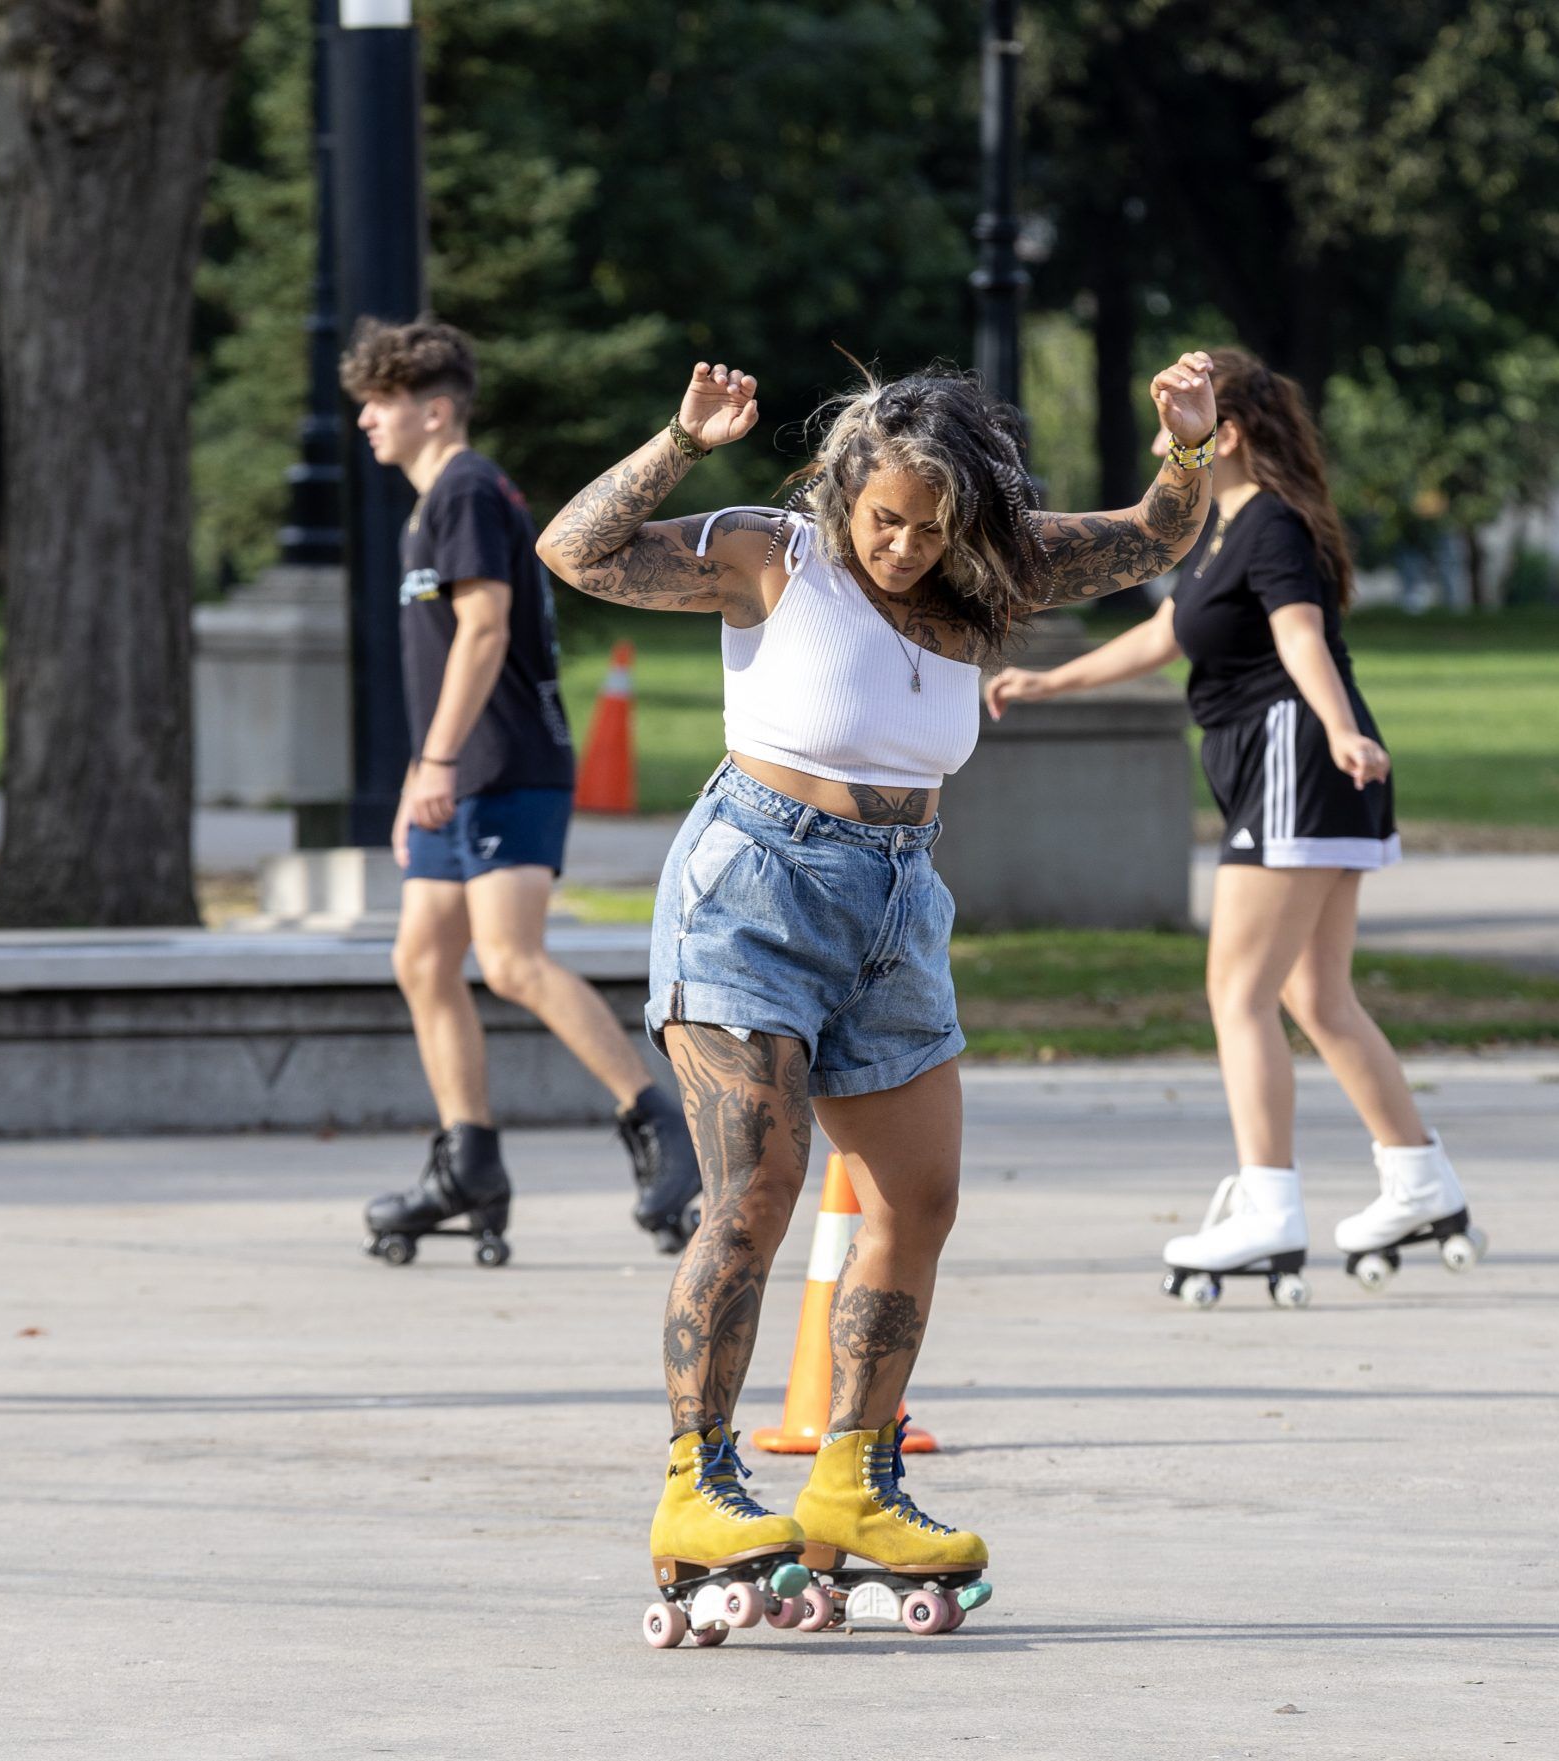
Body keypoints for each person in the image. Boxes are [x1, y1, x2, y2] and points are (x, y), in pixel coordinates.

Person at [539, 350, 1219, 1637]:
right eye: (885, 522)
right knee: (755, 1192)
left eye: (931, 526)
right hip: (754, 885)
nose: (905, 547)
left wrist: (1183, 447)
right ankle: (698, 1484)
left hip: (900, 902)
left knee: (921, 1197)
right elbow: (576, 548)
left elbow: (1148, 540)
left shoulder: (980, 581)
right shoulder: (770, 556)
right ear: (845, 497)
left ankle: (854, 1479)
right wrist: (681, 443)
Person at [986, 349, 1479, 1306]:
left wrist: (1341, 731)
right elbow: (1166, 637)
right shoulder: (1222, 531)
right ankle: (1419, 1181)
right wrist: (1049, 680)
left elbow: (1302, 636)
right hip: (1298, 768)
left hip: (1300, 758)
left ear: (1232, 432)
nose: (1174, 436)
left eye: (1188, 420)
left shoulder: (1274, 527)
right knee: (1316, 997)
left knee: (1240, 991)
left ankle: (1268, 1207)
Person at [338, 317, 703, 1265]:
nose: (367, 420)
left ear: (435, 407)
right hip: (461, 767)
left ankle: (663, 1128)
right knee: (423, 958)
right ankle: (469, 1162)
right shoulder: (437, 501)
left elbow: (486, 630)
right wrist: (428, 766)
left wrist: (439, 759)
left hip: (503, 764)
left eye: (381, 403)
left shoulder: (462, 488)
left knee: (509, 960)